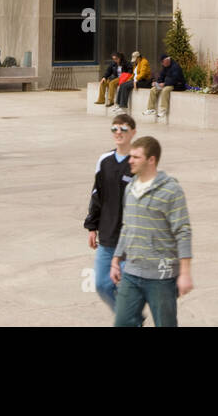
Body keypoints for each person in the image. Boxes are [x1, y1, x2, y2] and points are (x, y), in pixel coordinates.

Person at [110, 136, 193, 327]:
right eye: (130, 156)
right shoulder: (130, 188)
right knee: (122, 322)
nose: (130, 160)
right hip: (131, 272)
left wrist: (185, 273)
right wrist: (116, 259)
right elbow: (127, 226)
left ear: (151, 160)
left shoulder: (172, 190)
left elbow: (183, 231)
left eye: (136, 157)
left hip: (161, 277)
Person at [84, 113, 136, 315]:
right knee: (102, 285)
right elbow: (97, 194)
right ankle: (130, 317)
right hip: (107, 236)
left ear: (133, 132)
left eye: (123, 129)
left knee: (125, 288)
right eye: (115, 129)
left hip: (130, 239)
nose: (118, 133)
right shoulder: (104, 160)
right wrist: (92, 227)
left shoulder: (138, 162)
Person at [145, 54, 184, 123]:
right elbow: (161, 76)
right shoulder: (165, 66)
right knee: (153, 89)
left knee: (165, 90)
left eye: (163, 62)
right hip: (166, 84)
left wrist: (164, 84)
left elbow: (175, 79)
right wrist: (157, 83)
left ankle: (163, 110)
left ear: (167, 60)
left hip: (177, 85)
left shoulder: (175, 67)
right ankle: (151, 108)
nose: (162, 64)